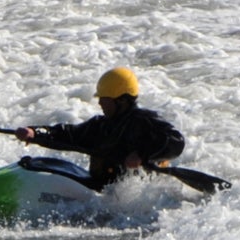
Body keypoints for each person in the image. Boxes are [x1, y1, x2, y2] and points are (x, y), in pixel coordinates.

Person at [15, 67, 187, 189]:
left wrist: (142, 154)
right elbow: (68, 134)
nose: (100, 103)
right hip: (103, 191)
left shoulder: (146, 122)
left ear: (121, 101)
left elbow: (176, 141)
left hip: (137, 198)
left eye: (104, 99)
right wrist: (35, 132)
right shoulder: (100, 126)